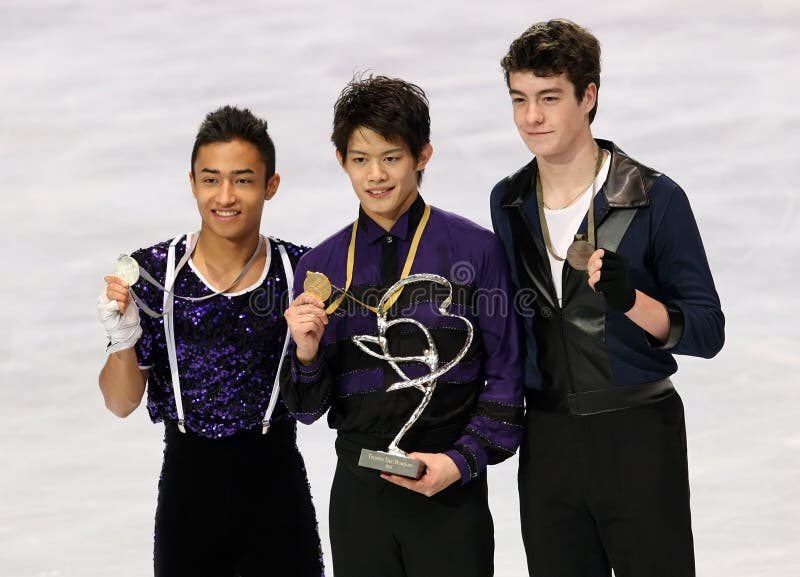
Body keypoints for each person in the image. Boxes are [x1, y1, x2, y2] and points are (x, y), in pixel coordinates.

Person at [489, 19, 725, 577]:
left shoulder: (653, 198)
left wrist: (632, 299)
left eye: (549, 98)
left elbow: (707, 330)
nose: (531, 117)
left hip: (637, 435)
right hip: (547, 440)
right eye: (520, 99)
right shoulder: (509, 201)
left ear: (588, 96)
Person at [280, 75, 524, 577]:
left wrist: (460, 462)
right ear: (341, 160)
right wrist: (305, 352)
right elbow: (306, 410)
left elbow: (507, 377)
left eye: (391, 157)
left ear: (422, 155)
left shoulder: (476, 251)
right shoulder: (321, 267)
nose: (376, 175)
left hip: (450, 493)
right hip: (360, 500)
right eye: (360, 159)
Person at [96, 106, 324, 577]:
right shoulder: (155, 274)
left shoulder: (301, 273)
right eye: (211, 180)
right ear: (192, 182)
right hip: (188, 499)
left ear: (271, 185)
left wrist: (309, 353)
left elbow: (313, 408)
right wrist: (122, 339)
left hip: (277, 493)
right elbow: (120, 403)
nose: (225, 196)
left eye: (243, 180)